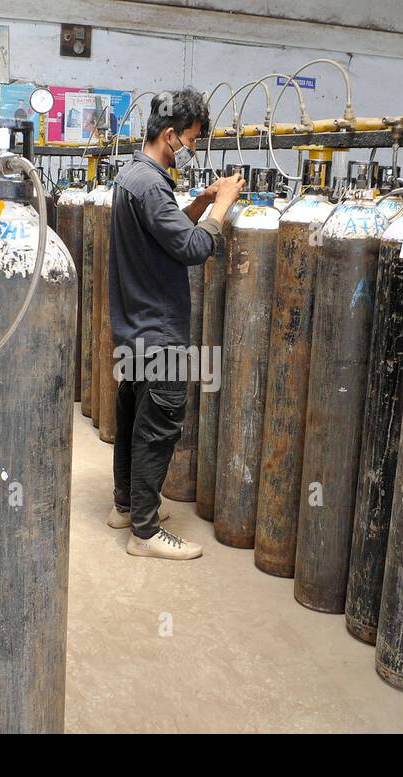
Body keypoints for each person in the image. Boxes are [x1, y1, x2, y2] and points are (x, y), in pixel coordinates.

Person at [106, 88, 243, 560]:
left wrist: (202, 203)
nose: (194, 148)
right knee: (158, 425)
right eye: (191, 139)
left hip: (133, 327)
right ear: (170, 135)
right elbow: (192, 250)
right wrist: (224, 203)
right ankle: (144, 533)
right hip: (158, 332)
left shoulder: (133, 178)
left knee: (131, 417)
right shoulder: (151, 185)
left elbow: (168, 234)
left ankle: (126, 506)